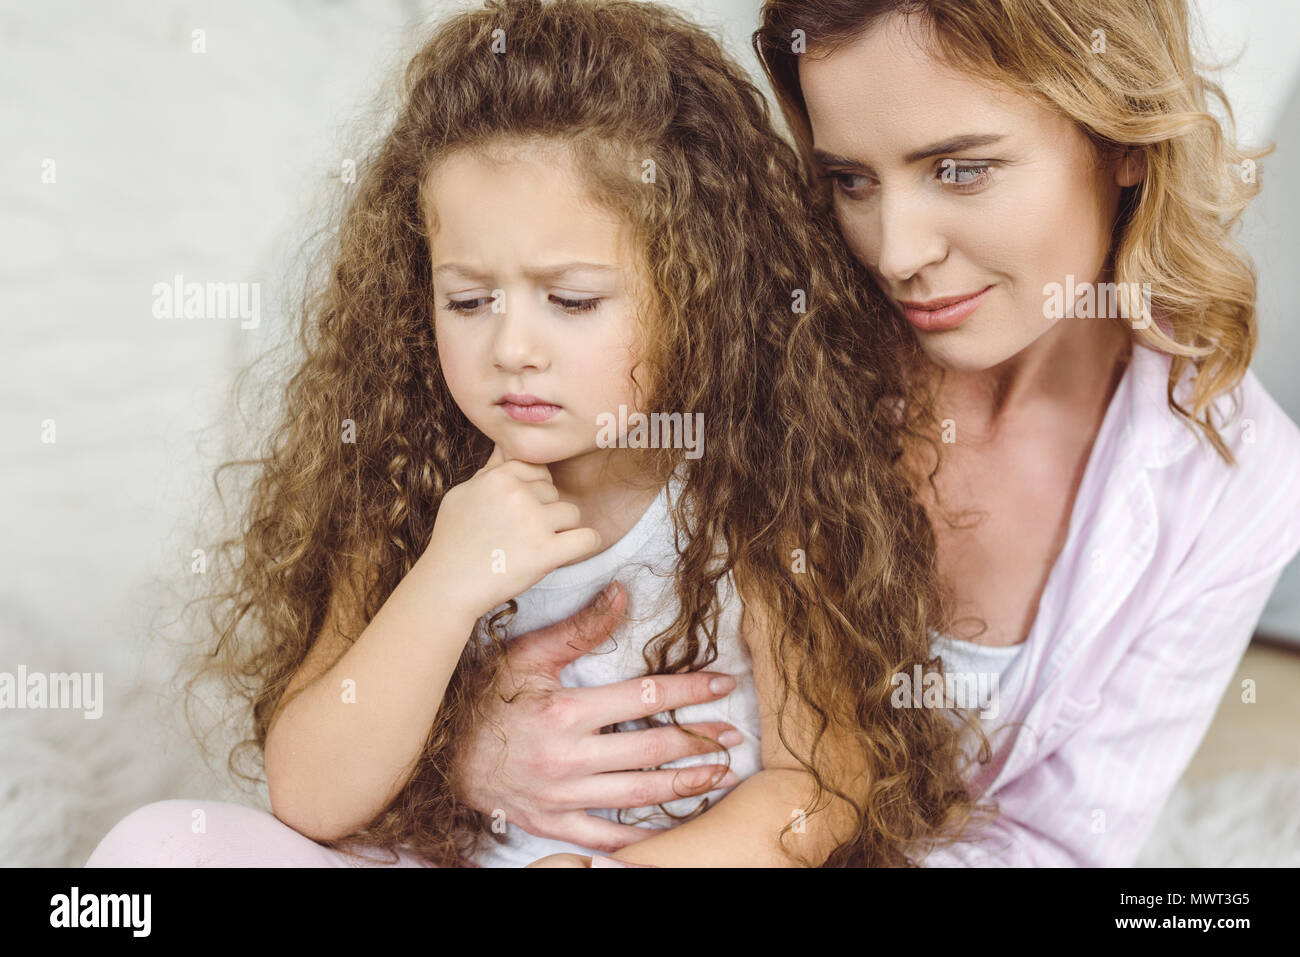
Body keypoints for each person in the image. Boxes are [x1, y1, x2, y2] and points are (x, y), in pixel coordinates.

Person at [86, 0, 986, 869]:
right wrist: (445, 581)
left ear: (701, 294)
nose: (512, 347)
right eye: (469, 300)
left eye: (573, 301)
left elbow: (821, 790)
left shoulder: (754, 494)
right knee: (155, 849)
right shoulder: (415, 482)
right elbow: (310, 796)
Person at [443, 0, 1300, 867]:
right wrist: (455, 739)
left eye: (960, 171)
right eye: (851, 181)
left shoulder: (1235, 479)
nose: (895, 251)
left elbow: (1055, 840)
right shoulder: (735, 328)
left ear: (1125, 138)